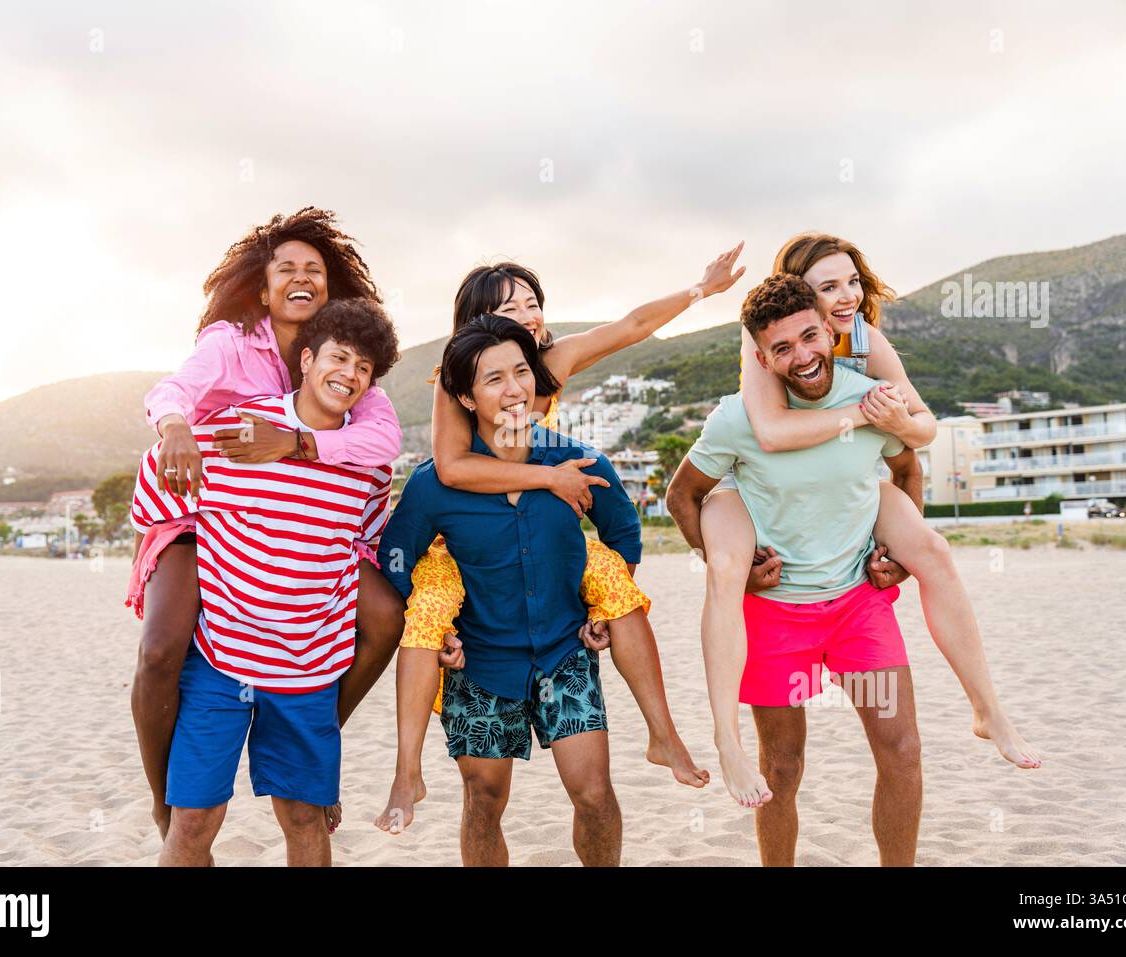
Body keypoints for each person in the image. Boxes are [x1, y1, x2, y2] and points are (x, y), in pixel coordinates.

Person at [371, 247, 743, 832]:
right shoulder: (454, 383)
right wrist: (550, 477)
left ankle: (663, 734)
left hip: (549, 540)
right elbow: (451, 471)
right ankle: (406, 770)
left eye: (534, 305)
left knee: (612, 583)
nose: (530, 318)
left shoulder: (552, 362)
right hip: (466, 543)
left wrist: (701, 289)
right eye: (510, 309)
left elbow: (632, 327)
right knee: (430, 610)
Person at [126, 208, 442, 840]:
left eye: (315, 270)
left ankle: (310, 747)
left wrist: (295, 446)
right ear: (262, 285)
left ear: (333, 285)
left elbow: (379, 443)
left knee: (382, 616)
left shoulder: (346, 357)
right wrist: (177, 430)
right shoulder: (231, 339)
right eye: (286, 269)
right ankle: (167, 798)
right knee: (163, 645)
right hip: (202, 498)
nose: (301, 278)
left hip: (304, 509)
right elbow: (174, 392)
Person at [697, 233, 1040, 808]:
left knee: (932, 551)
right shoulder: (767, 341)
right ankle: (724, 738)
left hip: (850, 476)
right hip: (769, 484)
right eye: (828, 286)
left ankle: (988, 711)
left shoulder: (863, 339)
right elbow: (774, 433)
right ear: (795, 294)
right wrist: (862, 414)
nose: (848, 295)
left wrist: (896, 423)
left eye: (853, 280)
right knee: (726, 577)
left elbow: (922, 431)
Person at [666, 273, 924, 865]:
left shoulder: (871, 398)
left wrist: (901, 556)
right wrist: (725, 560)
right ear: (762, 357)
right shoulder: (738, 420)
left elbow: (907, 468)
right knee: (781, 767)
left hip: (858, 608)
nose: (802, 356)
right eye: (782, 348)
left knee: (902, 751)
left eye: (811, 337)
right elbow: (683, 496)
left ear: (829, 332)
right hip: (777, 617)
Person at [378, 315, 642, 866]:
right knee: (483, 799)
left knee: (594, 794)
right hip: (478, 666)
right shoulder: (435, 482)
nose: (514, 388)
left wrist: (602, 607)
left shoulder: (574, 458)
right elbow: (396, 556)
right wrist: (441, 627)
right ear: (466, 398)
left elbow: (622, 532)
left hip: (563, 653)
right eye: (493, 379)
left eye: (521, 371)